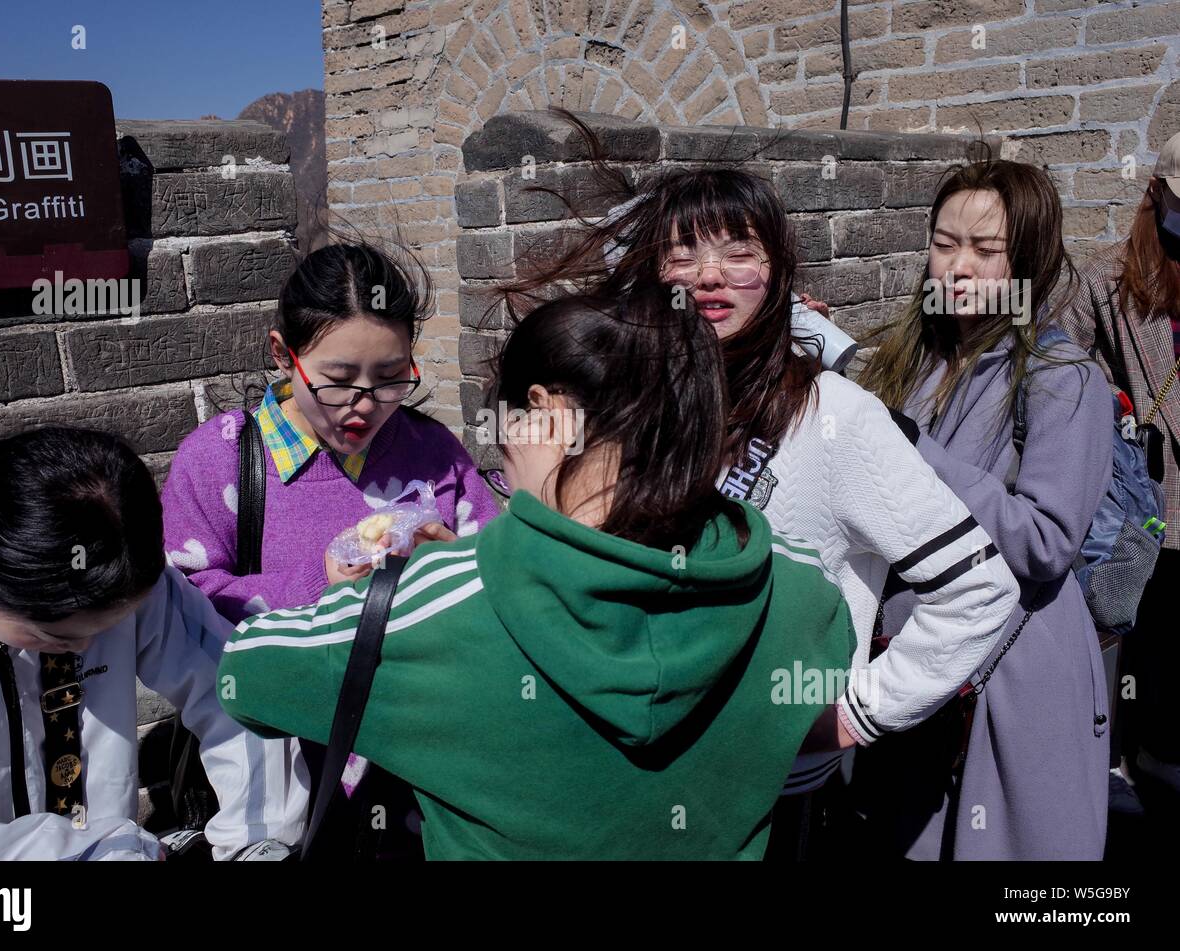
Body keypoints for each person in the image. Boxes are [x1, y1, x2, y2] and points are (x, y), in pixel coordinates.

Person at [494, 112, 1021, 857]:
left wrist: (851, 715)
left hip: (778, 794)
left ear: (778, 272)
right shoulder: (640, 406)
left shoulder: (836, 415)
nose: (709, 275)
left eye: (739, 252)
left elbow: (980, 589)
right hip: (639, 773)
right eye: (682, 255)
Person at [217, 288, 857, 859]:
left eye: (506, 433)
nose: (505, 459)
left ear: (547, 413)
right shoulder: (802, 592)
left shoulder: (438, 605)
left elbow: (246, 676)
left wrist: (371, 596)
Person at [0, 427, 307, 860]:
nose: (87, 649)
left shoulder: (113, 562)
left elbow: (229, 692)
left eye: (107, 628)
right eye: (56, 637)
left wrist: (258, 839)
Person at [856, 158, 1113, 859]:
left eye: (985, 249)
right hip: (915, 679)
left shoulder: (1065, 380)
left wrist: (919, 455)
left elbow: (1046, 541)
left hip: (1010, 683)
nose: (957, 266)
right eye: (944, 243)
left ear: (1026, 259)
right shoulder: (914, 365)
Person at [161, 240, 501, 624]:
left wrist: (457, 569)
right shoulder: (217, 461)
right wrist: (319, 584)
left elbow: (497, 578)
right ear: (283, 354)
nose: (366, 405)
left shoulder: (434, 453)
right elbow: (185, 603)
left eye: (391, 377)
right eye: (339, 380)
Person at [1061, 131, 1180, 838]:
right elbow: (1056, 367)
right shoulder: (1109, 279)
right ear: (1159, 192)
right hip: (1153, 515)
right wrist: (1112, 398)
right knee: (1151, 665)